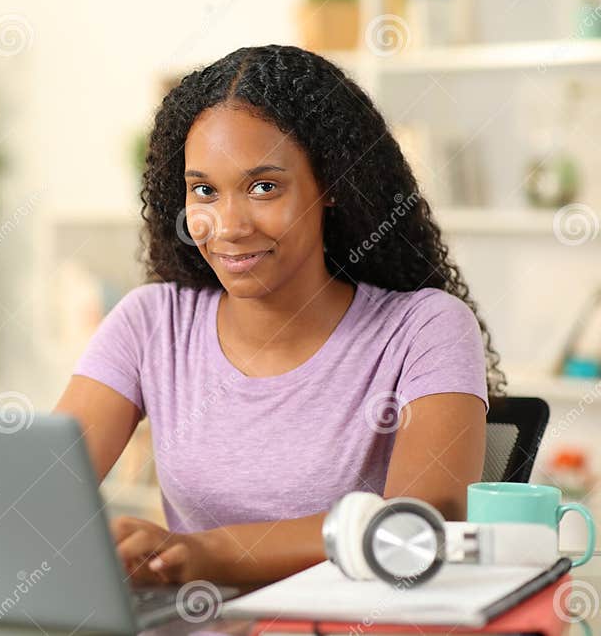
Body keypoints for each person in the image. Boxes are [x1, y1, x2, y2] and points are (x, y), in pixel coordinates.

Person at [54, 44, 504, 589]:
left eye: (263, 187)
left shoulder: (423, 328)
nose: (229, 225)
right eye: (204, 191)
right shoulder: (153, 322)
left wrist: (204, 553)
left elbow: (414, 528)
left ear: (331, 185)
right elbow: (38, 494)